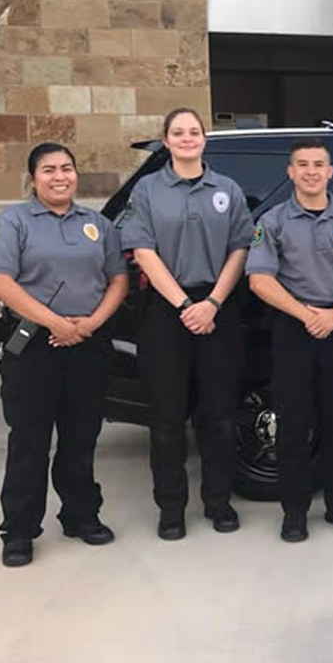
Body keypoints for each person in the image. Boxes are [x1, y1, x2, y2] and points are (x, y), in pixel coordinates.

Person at [0, 143, 129, 567]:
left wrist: (90, 324)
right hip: (32, 345)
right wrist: (55, 323)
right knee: (29, 439)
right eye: (48, 170)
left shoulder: (97, 224)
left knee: (81, 436)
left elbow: (117, 279)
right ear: (33, 178)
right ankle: (19, 531)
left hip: (87, 341)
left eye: (67, 168)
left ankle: (82, 515)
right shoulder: (14, 222)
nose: (59, 176)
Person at [118, 108, 254, 540]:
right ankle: (171, 507)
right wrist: (184, 305)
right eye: (178, 132)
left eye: (194, 132)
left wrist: (212, 302)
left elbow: (240, 250)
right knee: (167, 417)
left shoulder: (227, 189)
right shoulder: (148, 190)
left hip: (218, 307)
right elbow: (142, 251)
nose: (187, 138)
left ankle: (218, 501)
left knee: (219, 415)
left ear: (204, 139)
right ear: (166, 140)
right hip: (166, 310)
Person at [246, 140, 333, 543]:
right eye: (302, 165)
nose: (310, 171)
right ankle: (294, 512)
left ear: (330, 171)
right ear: (290, 172)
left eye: (318, 165)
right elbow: (259, 280)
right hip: (293, 330)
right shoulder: (272, 222)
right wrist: (306, 315)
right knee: (293, 425)